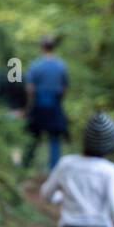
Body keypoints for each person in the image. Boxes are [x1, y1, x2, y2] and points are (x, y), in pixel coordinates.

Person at [23, 33, 69, 171]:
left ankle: (25, 167)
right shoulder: (61, 66)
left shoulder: (36, 65)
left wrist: (29, 105)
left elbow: (30, 88)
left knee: (33, 138)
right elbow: (65, 88)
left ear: (42, 46)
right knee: (54, 140)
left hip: (38, 105)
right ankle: (54, 170)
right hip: (55, 106)